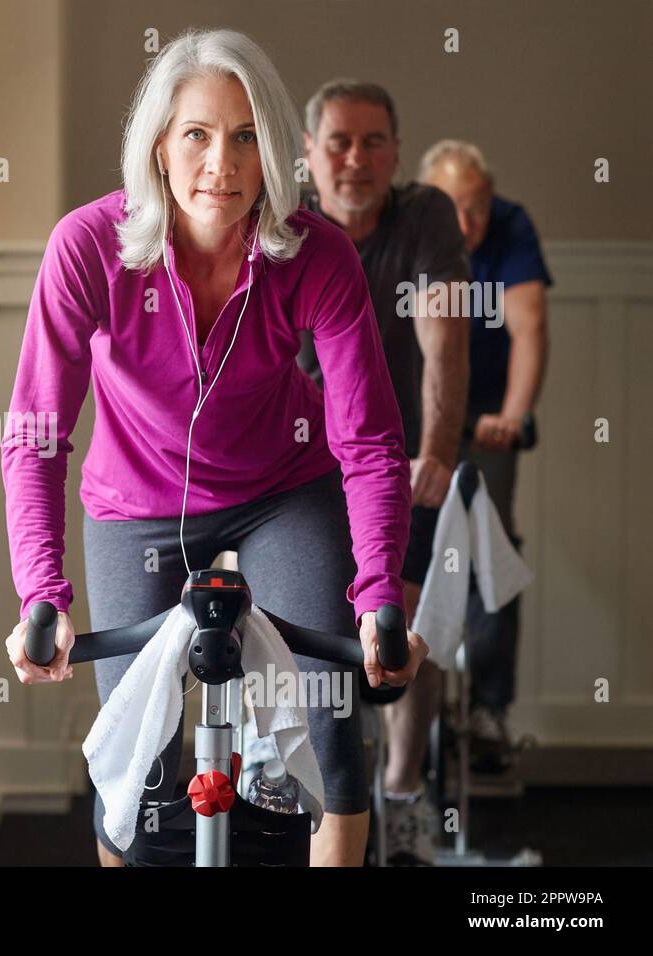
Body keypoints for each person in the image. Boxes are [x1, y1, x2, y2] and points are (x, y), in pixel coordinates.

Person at [0, 28, 428, 868]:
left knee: (329, 719)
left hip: (281, 492)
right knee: (137, 761)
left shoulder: (318, 254)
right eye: (197, 134)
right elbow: (37, 433)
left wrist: (379, 597)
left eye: (244, 138)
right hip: (135, 506)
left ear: (272, 150)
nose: (221, 165)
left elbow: (371, 440)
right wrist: (40, 595)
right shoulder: (87, 247)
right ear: (159, 145)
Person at [298, 79, 470, 865]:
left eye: (373, 142)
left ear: (397, 153)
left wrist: (434, 449)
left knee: (402, 642)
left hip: (404, 460)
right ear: (308, 154)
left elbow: (445, 342)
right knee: (304, 632)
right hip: (305, 466)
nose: (355, 159)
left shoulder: (425, 216)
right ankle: (315, 794)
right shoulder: (286, 226)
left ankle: (401, 791)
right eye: (338, 141)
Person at [420, 139, 550, 773]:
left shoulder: (512, 227)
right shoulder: (412, 222)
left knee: (490, 552)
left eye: (478, 209)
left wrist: (514, 415)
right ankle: (392, 702)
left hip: (486, 419)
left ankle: (487, 711)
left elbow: (529, 327)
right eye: (454, 210)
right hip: (414, 415)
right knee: (395, 545)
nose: (468, 226)